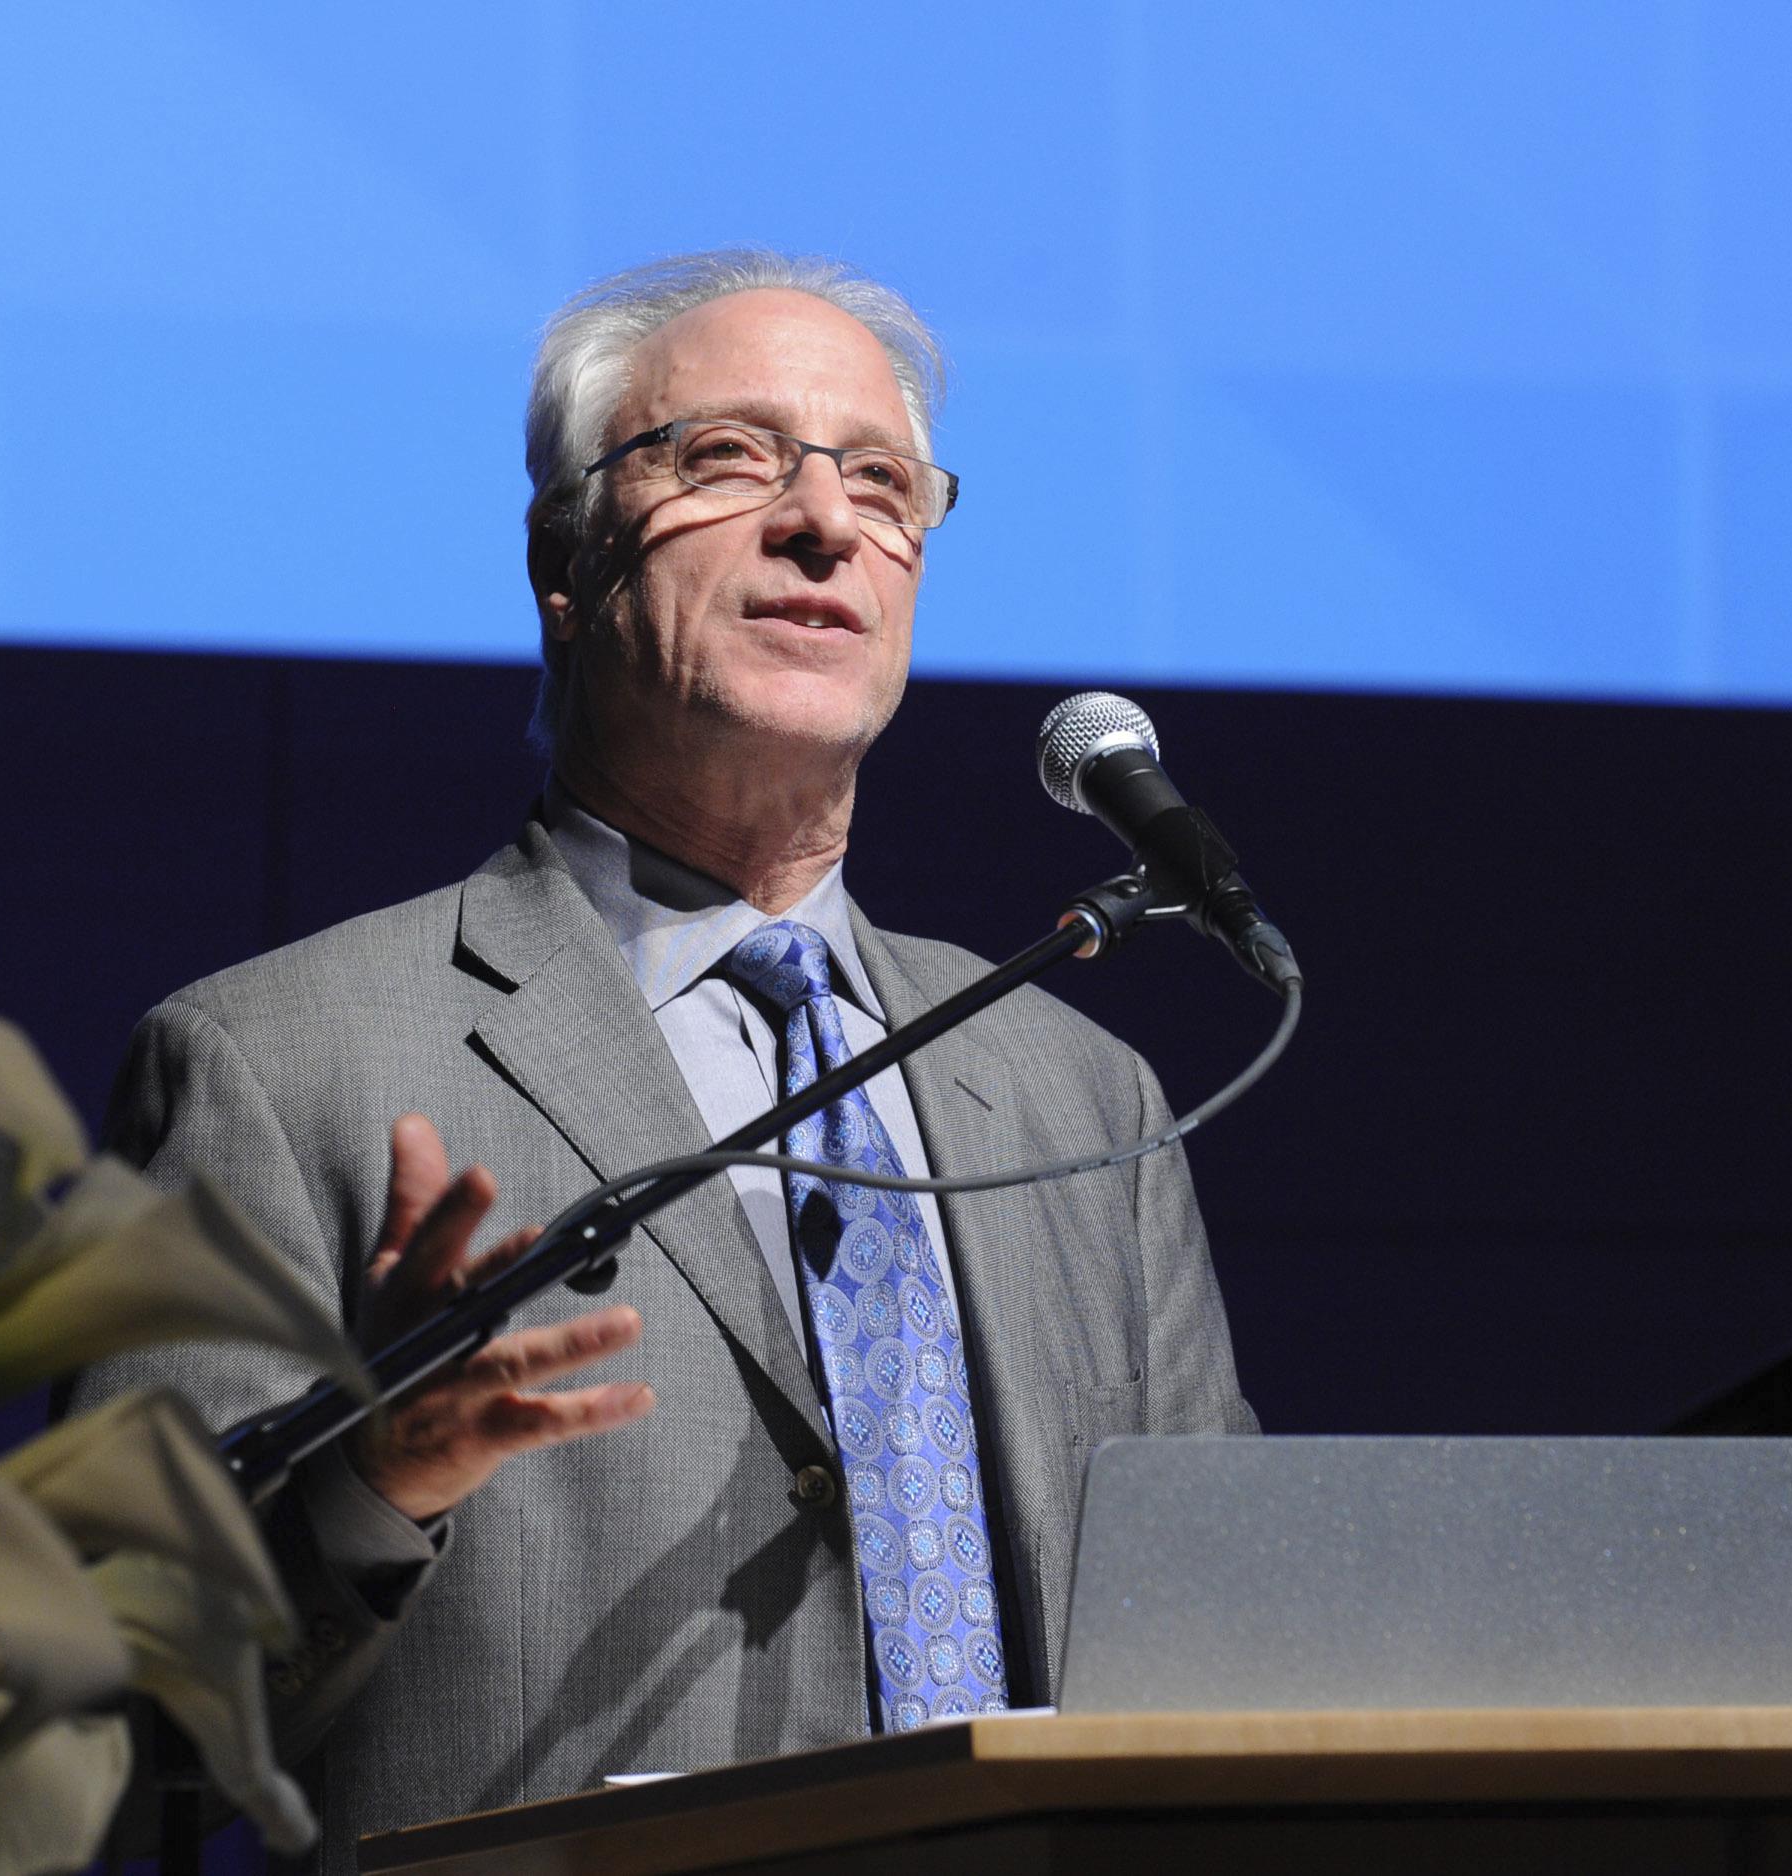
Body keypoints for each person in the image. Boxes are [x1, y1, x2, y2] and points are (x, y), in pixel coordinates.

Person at [77, 249, 1257, 1872]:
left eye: (882, 482)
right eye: (728, 457)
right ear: (564, 561)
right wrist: (375, 1483)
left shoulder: (1077, 1089)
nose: (823, 520)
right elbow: (112, 1722)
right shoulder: (278, 1065)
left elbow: (1217, 1657)